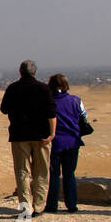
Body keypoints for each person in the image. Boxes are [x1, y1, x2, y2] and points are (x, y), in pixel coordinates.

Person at [0, 60, 56, 218]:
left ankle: (25, 208)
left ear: (20, 72)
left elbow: (4, 109)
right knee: (41, 172)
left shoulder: (13, 88)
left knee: (22, 173)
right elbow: (52, 114)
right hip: (42, 136)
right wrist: (52, 134)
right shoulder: (44, 88)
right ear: (35, 72)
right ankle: (39, 206)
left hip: (19, 136)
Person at [44, 74, 85, 214]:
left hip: (55, 143)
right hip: (73, 141)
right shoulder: (76, 100)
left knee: (54, 175)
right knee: (69, 174)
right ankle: (72, 205)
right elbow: (84, 117)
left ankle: (52, 205)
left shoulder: (48, 102)